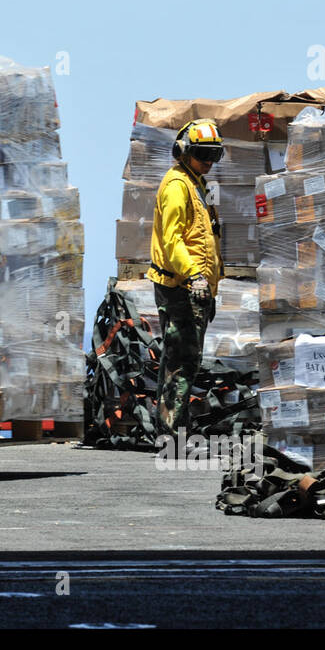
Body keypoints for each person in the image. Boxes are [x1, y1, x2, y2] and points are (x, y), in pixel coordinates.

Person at [146, 119, 224, 434]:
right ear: (183, 151)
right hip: (181, 288)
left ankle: (173, 425)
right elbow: (172, 239)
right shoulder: (178, 186)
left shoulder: (194, 182)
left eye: (213, 155)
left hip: (194, 289)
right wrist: (195, 276)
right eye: (202, 154)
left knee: (180, 358)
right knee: (182, 361)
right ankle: (171, 431)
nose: (208, 161)